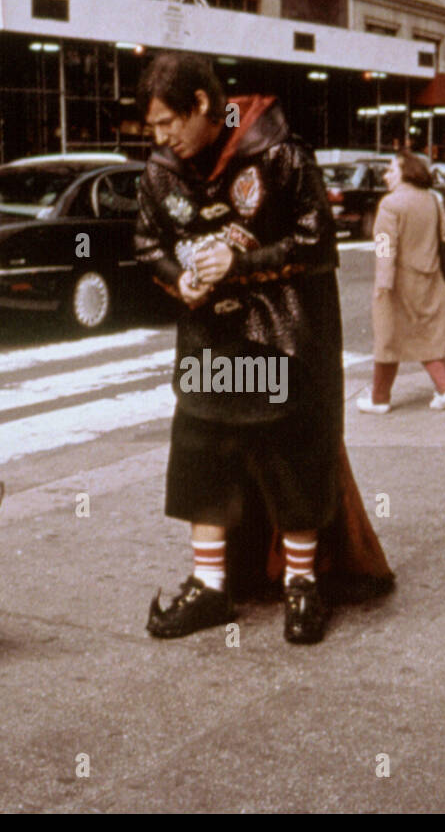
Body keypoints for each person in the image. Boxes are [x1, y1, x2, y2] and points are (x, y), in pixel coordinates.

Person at [133, 51, 392, 645]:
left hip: (282, 337)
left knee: (290, 456)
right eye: (153, 127)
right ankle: (209, 585)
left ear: (201, 104)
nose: (161, 137)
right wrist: (180, 277)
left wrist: (241, 262)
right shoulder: (160, 172)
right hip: (209, 340)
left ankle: (302, 585)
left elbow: (318, 242)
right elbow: (147, 242)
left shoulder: (280, 153)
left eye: (167, 123)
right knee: (202, 452)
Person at [357, 149, 445, 413]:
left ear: (406, 172)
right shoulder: (433, 200)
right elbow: (444, 240)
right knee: (429, 337)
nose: (386, 175)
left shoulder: (390, 204)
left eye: (391, 170)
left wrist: (383, 284)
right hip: (430, 278)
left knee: (387, 340)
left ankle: (379, 399)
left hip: (398, 283)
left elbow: (384, 248)